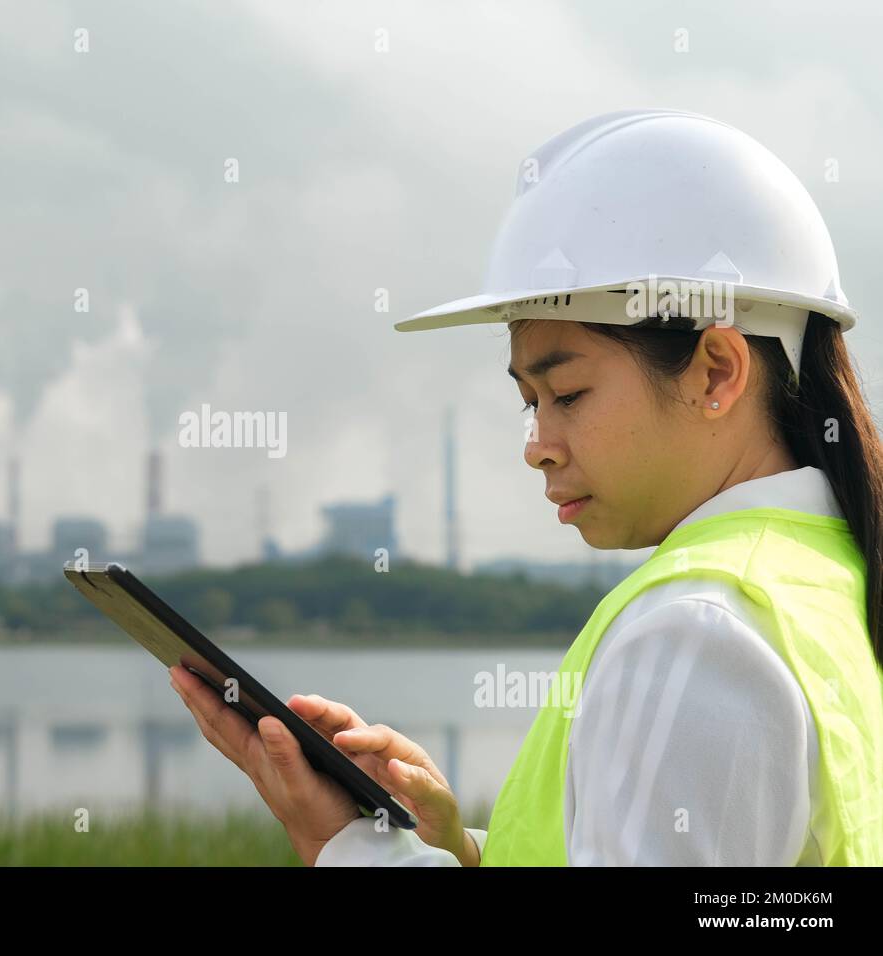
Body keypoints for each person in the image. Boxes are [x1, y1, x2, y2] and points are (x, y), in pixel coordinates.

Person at [168, 109, 883, 866]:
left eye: (567, 393)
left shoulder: (698, 632)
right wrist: (467, 852)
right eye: (528, 403)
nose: (536, 448)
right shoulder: (828, 585)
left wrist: (350, 849)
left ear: (716, 370)